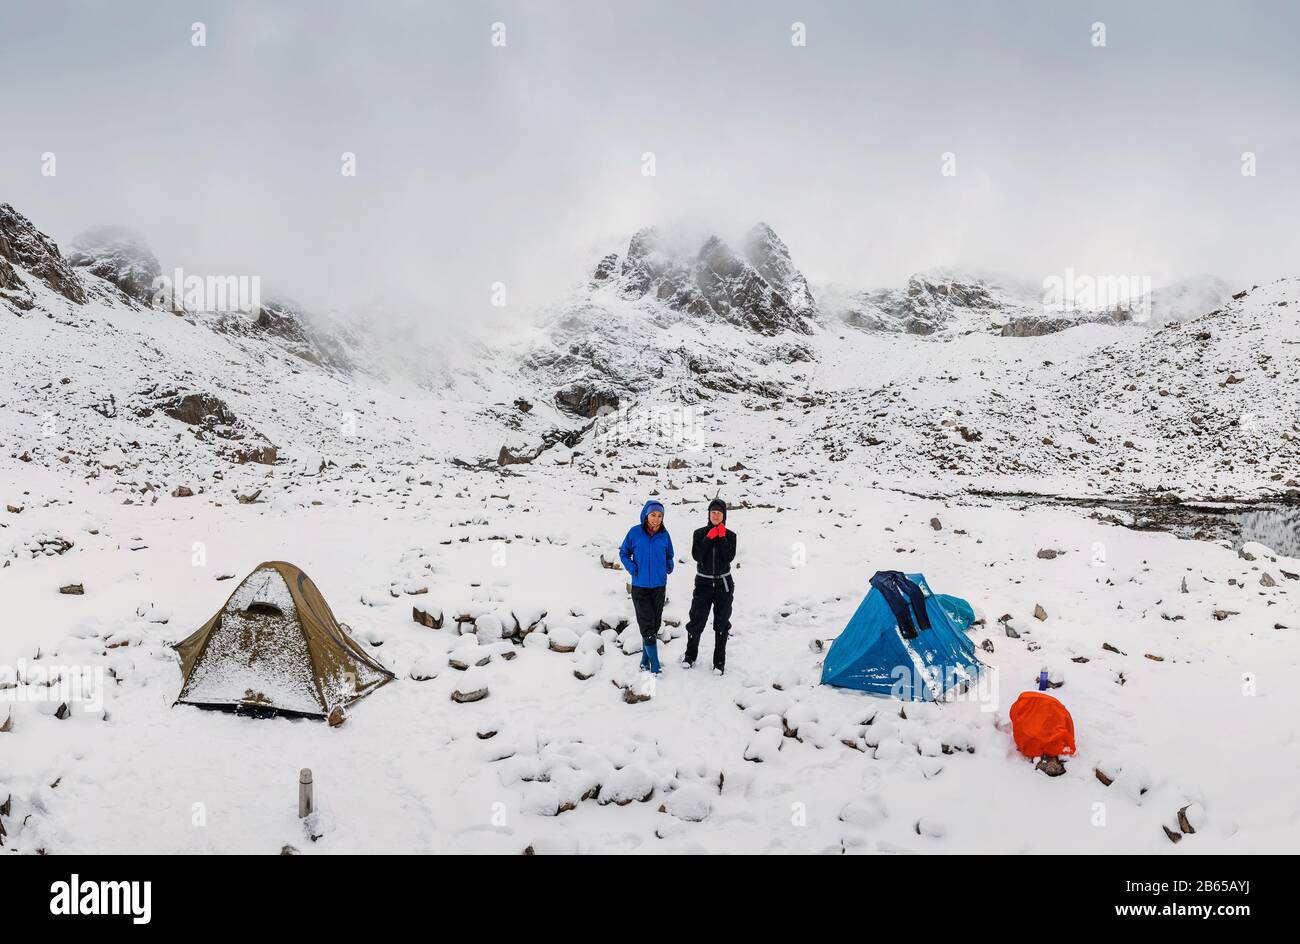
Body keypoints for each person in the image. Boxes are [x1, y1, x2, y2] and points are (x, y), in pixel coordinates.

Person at [619, 499, 674, 674]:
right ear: (646, 515)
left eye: (659, 515)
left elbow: (669, 555)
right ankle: (655, 664)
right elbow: (624, 553)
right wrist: (632, 567)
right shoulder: (634, 533)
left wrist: (669, 565)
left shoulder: (665, 535)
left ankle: (644, 660)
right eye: (653, 515)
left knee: (655, 624)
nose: (656, 519)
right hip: (640, 586)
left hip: (659, 586)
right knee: (646, 625)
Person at [683, 498, 736, 674]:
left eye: (719, 513)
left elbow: (728, 557)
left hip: (723, 583)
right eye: (713, 512)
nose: (715, 515)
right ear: (708, 514)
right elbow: (697, 555)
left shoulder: (730, 535)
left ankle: (719, 662)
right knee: (697, 620)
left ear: (724, 515)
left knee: (722, 622)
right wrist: (708, 537)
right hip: (703, 582)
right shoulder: (699, 533)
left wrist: (721, 537)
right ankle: (690, 656)